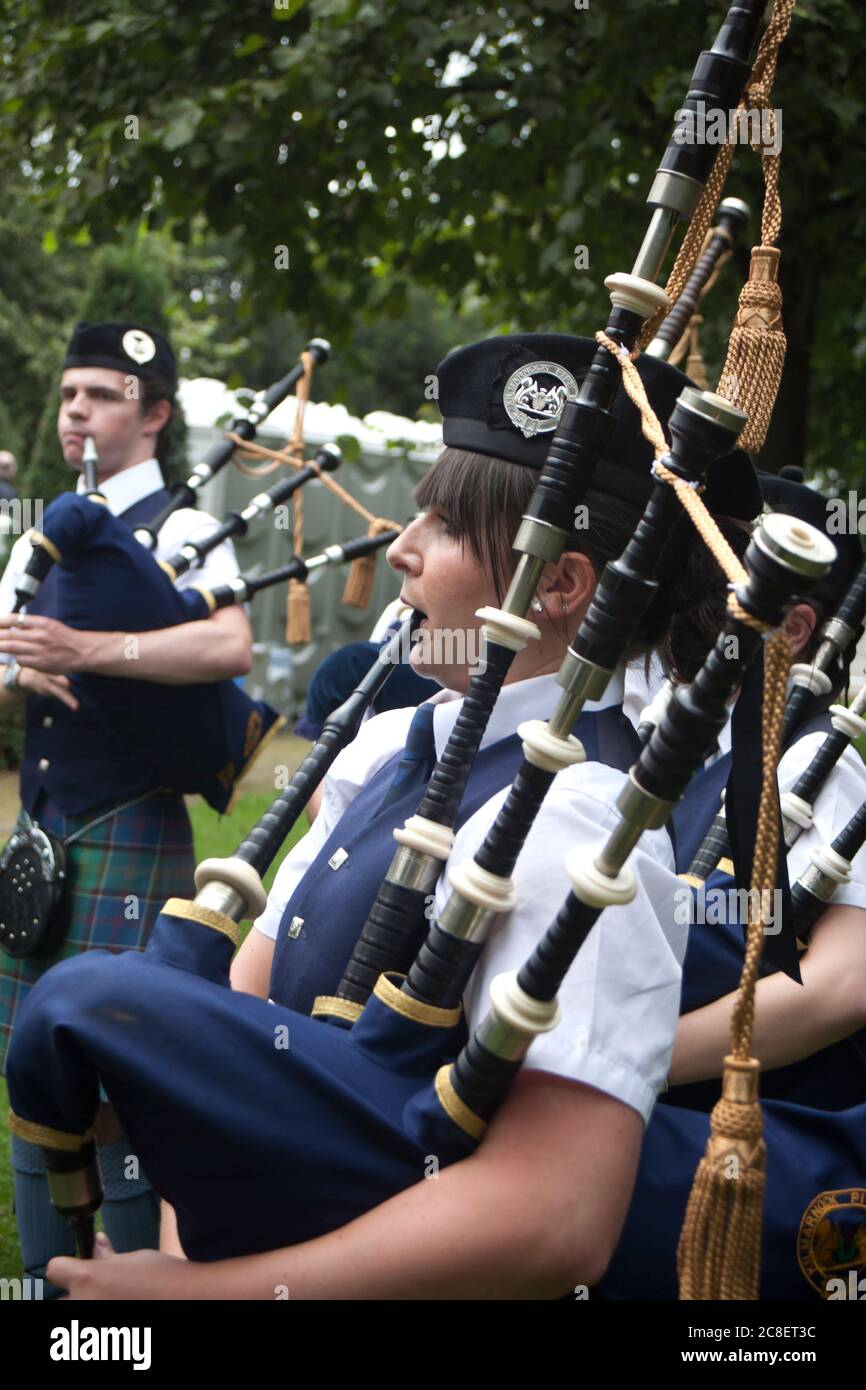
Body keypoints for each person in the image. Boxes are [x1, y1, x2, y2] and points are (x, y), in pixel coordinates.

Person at [44, 332, 762, 1299]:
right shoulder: (385, 748)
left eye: (446, 527)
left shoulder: (581, 822)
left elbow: (555, 1219)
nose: (401, 550)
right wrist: (199, 1240)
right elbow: (236, 1029)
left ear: (559, 584)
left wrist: (216, 1294)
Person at [0, 320, 253, 1293]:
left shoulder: (186, 527)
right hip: (45, 836)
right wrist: (22, 673)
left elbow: (228, 649)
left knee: (121, 1075)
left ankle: (136, 1297)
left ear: (152, 415)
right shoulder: (46, 529)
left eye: (101, 394)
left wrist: (91, 654)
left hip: (133, 829)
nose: (77, 411)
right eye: (69, 394)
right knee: (30, 1069)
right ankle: (42, 1284)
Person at [602, 469, 866, 1300]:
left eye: (719, 596)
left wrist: (635, 1061)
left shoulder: (821, 766)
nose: (684, 609)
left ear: (793, 627)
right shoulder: (673, 738)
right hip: (651, 1115)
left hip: (769, 1141)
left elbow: (842, 986)